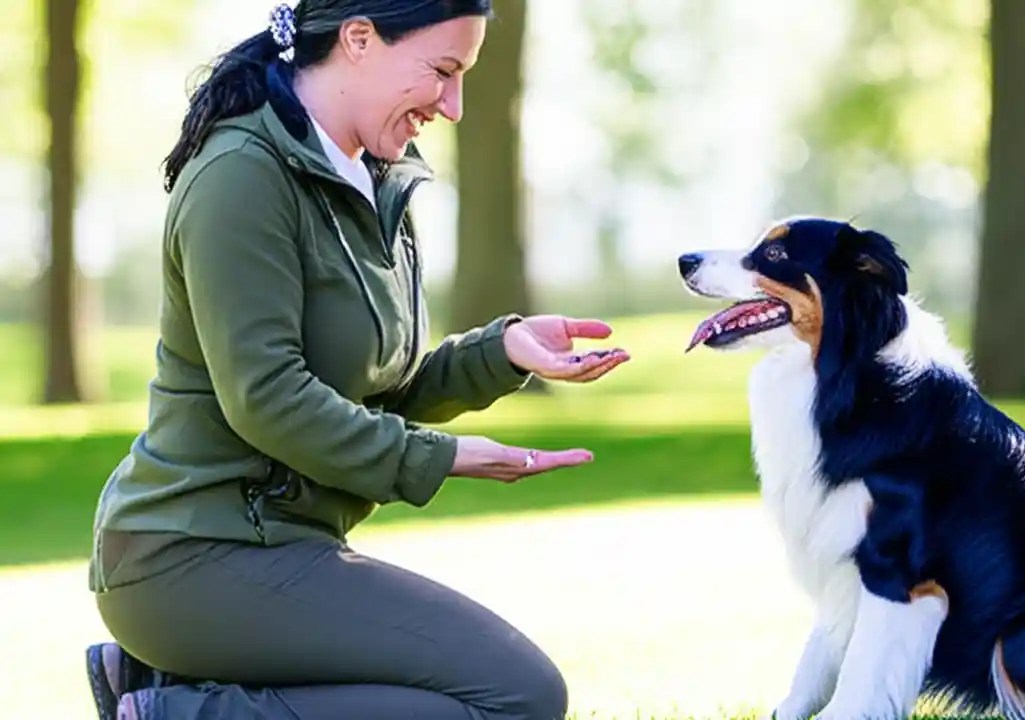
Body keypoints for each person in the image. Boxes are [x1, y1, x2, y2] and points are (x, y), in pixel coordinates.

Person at [83, 2, 630, 718]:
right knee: (517, 697)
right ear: (360, 38)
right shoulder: (240, 175)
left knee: (500, 693)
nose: (455, 106)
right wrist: (445, 456)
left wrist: (499, 353)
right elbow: (269, 399)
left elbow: (374, 393)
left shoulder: (376, 178)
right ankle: (179, 714)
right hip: (189, 555)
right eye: (442, 71)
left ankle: (165, 691)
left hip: (279, 545)